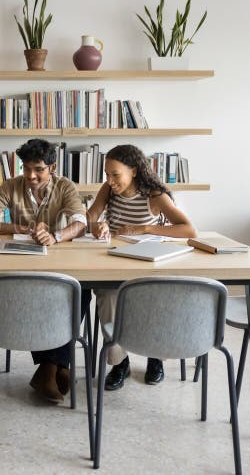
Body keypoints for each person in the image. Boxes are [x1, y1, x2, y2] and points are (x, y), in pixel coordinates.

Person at [0, 138, 87, 403]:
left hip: (57, 260)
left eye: (39, 170)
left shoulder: (65, 186)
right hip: (21, 261)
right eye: (26, 169)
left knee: (81, 290)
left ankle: (50, 367)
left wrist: (56, 236)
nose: (31, 176)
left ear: (52, 167)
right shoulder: (13, 185)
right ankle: (59, 367)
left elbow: (80, 222)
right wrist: (18, 229)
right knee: (38, 293)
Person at [87, 144, 196, 391]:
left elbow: (188, 229)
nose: (110, 181)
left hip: (147, 265)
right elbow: (91, 214)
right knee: (106, 295)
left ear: (134, 171)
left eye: (116, 174)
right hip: (114, 263)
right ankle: (119, 362)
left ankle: (155, 357)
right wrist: (96, 225)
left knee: (156, 296)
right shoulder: (109, 189)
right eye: (106, 174)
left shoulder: (154, 195)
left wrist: (145, 228)